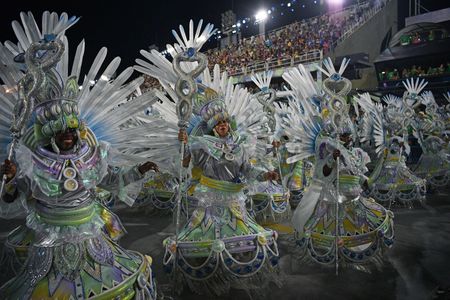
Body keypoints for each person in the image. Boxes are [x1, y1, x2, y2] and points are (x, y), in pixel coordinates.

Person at [0, 12, 158, 299]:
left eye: (72, 129)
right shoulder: (33, 161)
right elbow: (15, 195)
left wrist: (139, 170)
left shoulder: (90, 155)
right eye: (63, 132)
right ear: (51, 135)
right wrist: (10, 179)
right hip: (51, 238)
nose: (69, 135)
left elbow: (109, 179)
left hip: (90, 232)